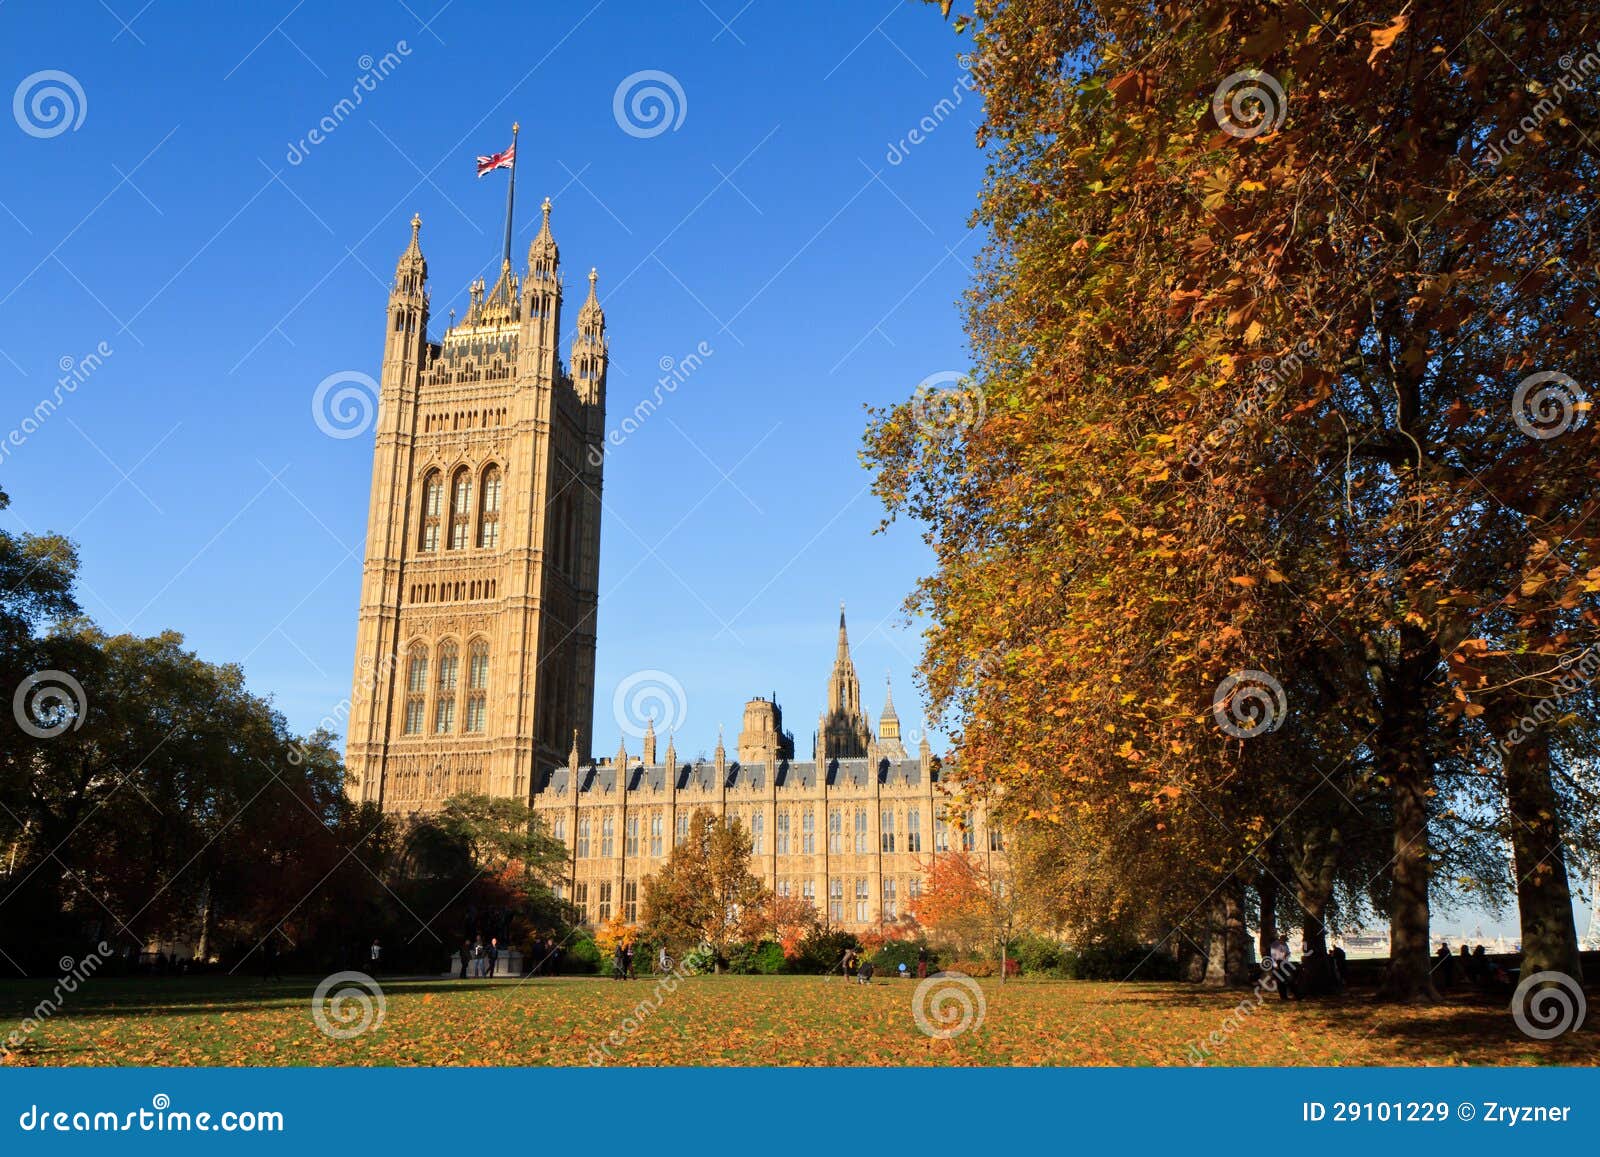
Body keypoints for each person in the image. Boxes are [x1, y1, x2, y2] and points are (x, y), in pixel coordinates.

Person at [1267, 935, 1294, 1001]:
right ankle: (1283, 996)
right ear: (1281, 939)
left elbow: (1288, 953)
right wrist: (1275, 964)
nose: (1285, 941)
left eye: (1285, 940)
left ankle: (1286, 996)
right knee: (1280, 980)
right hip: (1278, 962)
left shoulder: (1285, 944)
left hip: (1284, 962)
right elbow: (1273, 955)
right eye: (1284, 940)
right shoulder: (1275, 944)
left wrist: (1287, 955)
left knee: (1286, 979)